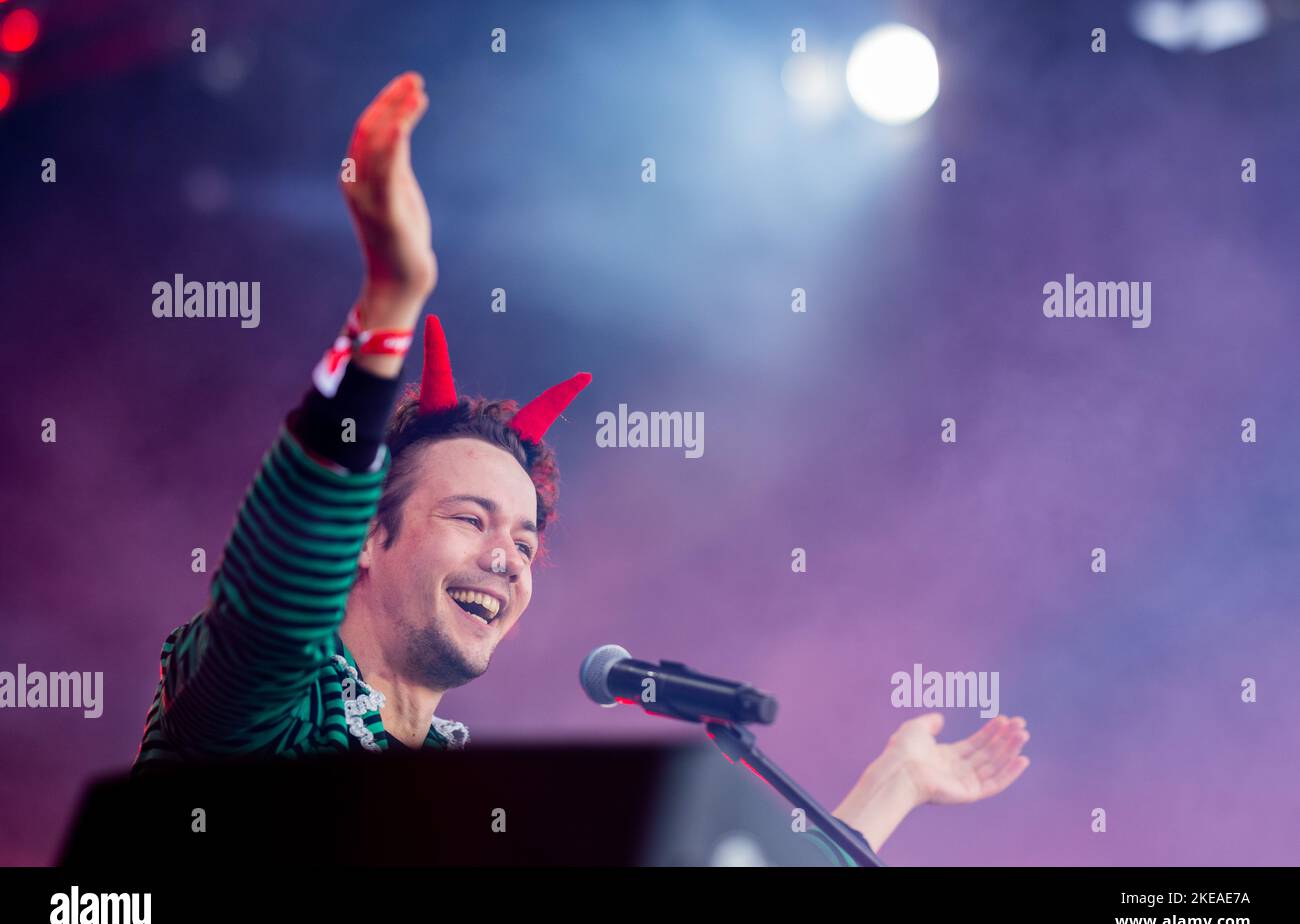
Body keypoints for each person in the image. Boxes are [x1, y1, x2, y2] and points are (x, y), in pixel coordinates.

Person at [133, 72, 1031, 863]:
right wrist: (388, 308)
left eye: (525, 538)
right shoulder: (268, 712)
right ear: (366, 541)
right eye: (470, 518)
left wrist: (892, 787)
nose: (509, 556)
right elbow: (280, 583)